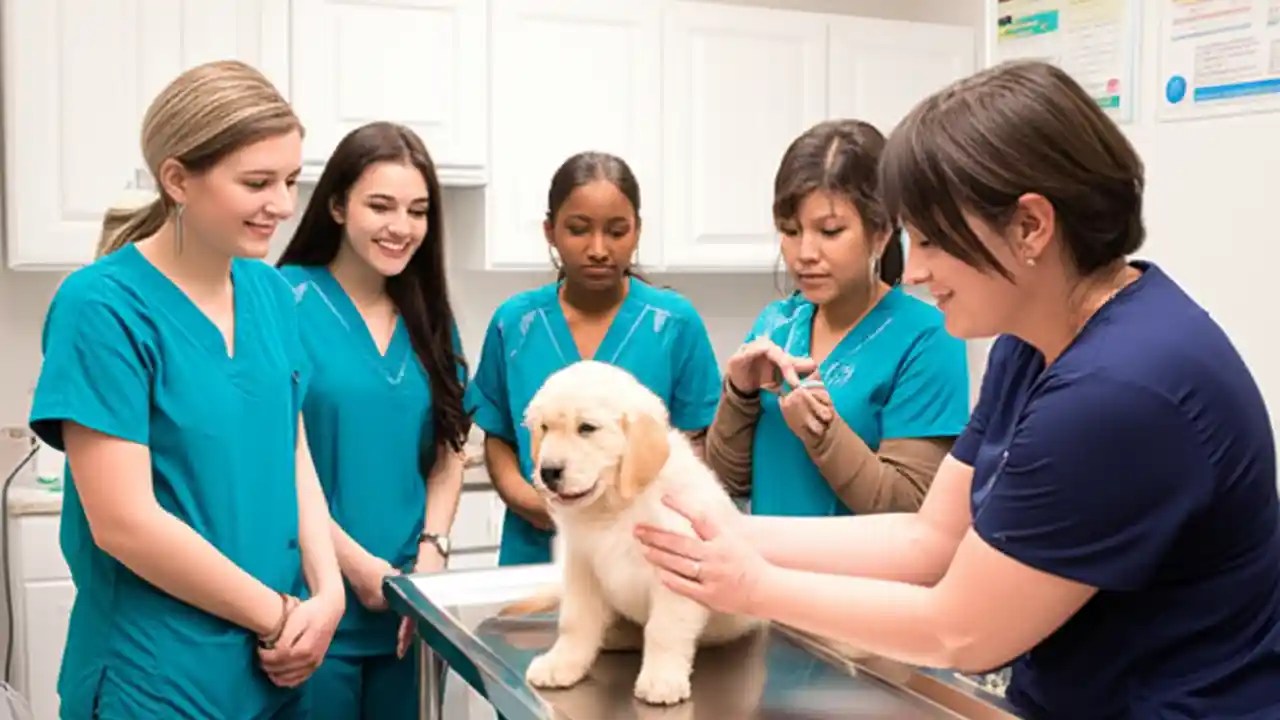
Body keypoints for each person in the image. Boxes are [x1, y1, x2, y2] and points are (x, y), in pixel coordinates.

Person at [636, 60, 1280, 719]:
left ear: (1031, 226)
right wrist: (719, 528)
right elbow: (930, 538)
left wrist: (752, 586)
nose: (914, 270)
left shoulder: (1121, 391)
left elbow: (961, 630)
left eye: (935, 240)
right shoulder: (1032, 345)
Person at [27, 60, 345, 719]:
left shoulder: (271, 294)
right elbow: (125, 524)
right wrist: (280, 614)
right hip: (155, 675)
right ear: (177, 180)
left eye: (290, 180)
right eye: (257, 182)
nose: (284, 206)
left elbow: (291, 452)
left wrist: (328, 593)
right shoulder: (101, 308)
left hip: (273, 670)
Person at [276, 121, 469, 720]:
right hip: (311, 605)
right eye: (380, 206)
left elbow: (449, 448)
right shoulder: (281, 300)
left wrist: (431, 558)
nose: (401, 227)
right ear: (336, 205)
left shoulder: (428, 315)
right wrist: (354, 568)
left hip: (410, 611)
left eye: (417, 210)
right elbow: (271, 454)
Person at [468, 151, 722, 566]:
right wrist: (534, 503)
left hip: (642, 553)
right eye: (578, 230)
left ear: (637, 232)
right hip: (535, 551)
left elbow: (694, 444)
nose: (599, 249)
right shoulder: (515, 324)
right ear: (550, 231)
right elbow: (499, 437)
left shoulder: (674, 324)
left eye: (617, 231)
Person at [705, 119, 969, 518]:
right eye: (790, 231)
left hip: (851, 579)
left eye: (829, 232)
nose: (804, 252)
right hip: (762, 572)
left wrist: (822, 432)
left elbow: (910, 511)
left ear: (880, 232)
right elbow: (726, 484)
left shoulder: (928, 338)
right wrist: (739, 395)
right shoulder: (776, 323)